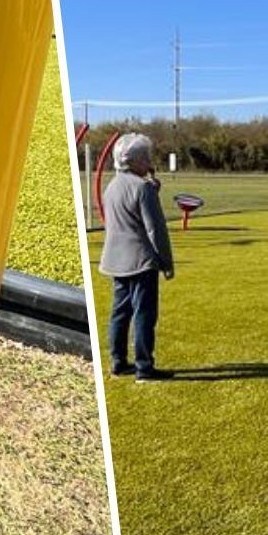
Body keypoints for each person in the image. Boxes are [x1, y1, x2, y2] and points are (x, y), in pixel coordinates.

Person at [99, 134, 176, 382]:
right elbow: (155, 229)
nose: (150, 162)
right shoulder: (142, 188)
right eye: (147, 157)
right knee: (144, 313)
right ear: (136, 160)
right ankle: (145, 367)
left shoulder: (111, 187)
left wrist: (152, 188)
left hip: (115, 260)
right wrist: (166, 262)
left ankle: (118, 362)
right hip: (141, 261)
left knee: (120, 313)